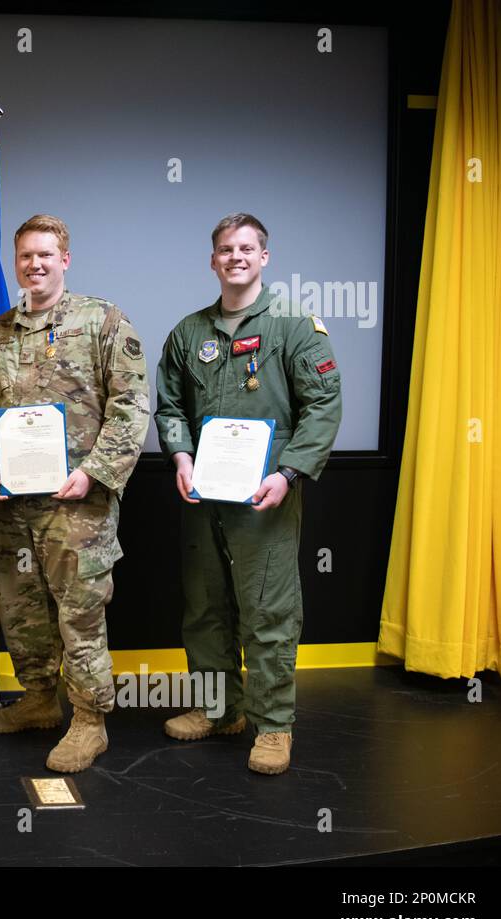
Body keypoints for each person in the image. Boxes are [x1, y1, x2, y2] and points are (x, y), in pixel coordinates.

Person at [155, 212, 342, 775]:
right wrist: (181, 457)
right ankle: (219, 710)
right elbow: (169, 407)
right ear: (212, 260)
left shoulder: (295, 326)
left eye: (246, 248)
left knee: (267, 609)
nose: (235, 257)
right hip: (204, 491)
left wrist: (288, 474)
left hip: (268, 492)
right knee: (205, 607)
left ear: (264, 257)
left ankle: (273, 726)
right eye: (225, 249)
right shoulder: (190, 332)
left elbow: (323, 406)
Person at [0, 214, 150, 773]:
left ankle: (90, 719)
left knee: (80, 613)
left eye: (46, 254)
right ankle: (39, 698)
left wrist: (95, 472)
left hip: (79, 503)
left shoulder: (103, 321)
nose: (35, 264)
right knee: (23, 610)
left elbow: (133, 404)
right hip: (15, 507)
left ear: (64, 259)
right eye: (25, 256)